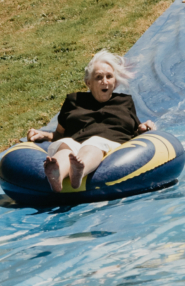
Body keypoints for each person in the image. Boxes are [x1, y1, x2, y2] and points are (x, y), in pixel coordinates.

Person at [27, 50, 157, 193]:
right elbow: (59, 134)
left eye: (109, 77)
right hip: (76, 143)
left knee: (95, 143)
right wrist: (44, 135)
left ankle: (79, 172)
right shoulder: (74, 101)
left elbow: (134, 131)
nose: (105, 81)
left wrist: (144, 128)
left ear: (114, 82)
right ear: (88, 82)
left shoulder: (124, 102)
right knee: (66, 145)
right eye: (98, 77)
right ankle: (57, 176)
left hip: (108, 144)